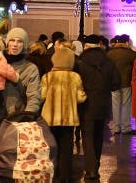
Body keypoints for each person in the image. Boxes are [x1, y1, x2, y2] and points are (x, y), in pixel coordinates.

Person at [40, 46, 87, 183]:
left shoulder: (47, 77)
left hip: (50, 118)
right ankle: (65, 176)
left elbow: (41, 96)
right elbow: (81, 98)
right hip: (68, 119)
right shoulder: (75, 77)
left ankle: (52, 174)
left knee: (52, 147)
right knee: (67, 148)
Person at [77, 34, 119, 182]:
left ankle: (91, 169)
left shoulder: (80, 61)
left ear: (86, 46)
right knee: (98, 136)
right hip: (103, 104)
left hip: (85, 104)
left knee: (87, 136)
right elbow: (116, 84)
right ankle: (96, 165)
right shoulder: (108, 61)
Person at [2, 28, 41, 116]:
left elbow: (34, 97)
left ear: (24, 45)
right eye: (12, 40)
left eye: (20, 41)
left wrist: (26, 117)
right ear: (7, 43)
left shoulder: (30, 68)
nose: (15, 44)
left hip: (16, 119)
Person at [106, 34, 136, 134]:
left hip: (113, 83)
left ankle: (116, 128)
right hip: (126, 82)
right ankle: (126, 127)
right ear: (127, 42)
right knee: (126, 105)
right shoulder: (131, 53)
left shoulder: (110, 53)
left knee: (115, 106)